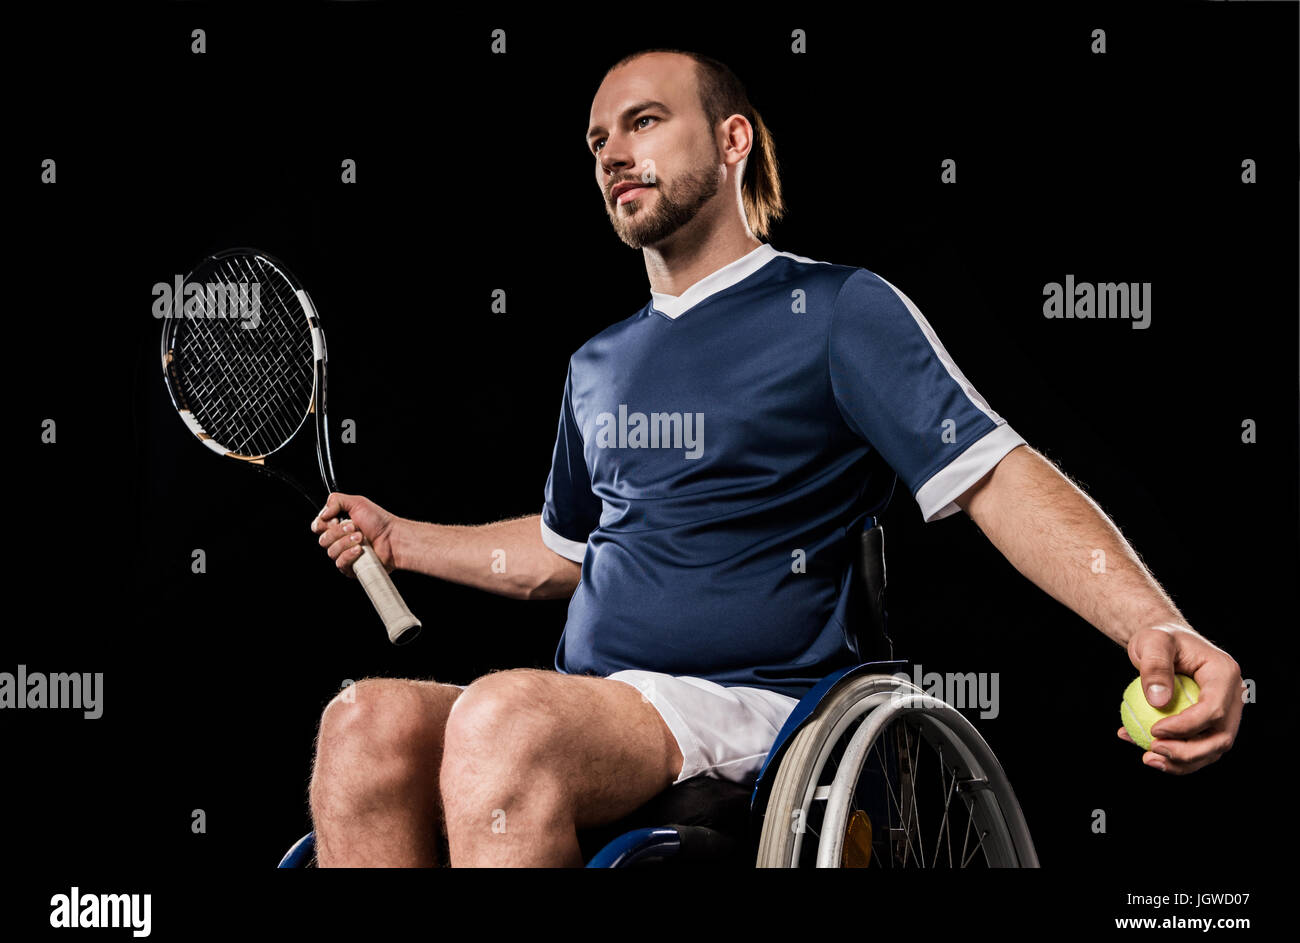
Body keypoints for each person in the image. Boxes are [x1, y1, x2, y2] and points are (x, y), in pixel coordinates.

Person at [307, 48, 1244, 867]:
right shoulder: (595, 364)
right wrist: (402, 540)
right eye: (597, 140)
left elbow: (995, 474)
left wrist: (1148, 624)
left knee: (501, 718)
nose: (613, 154)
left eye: (644, 121)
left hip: (760, 707)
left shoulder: (838, 311)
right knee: (362, 725)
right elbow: (567, 551)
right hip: (600, 707)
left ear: (731, 141)